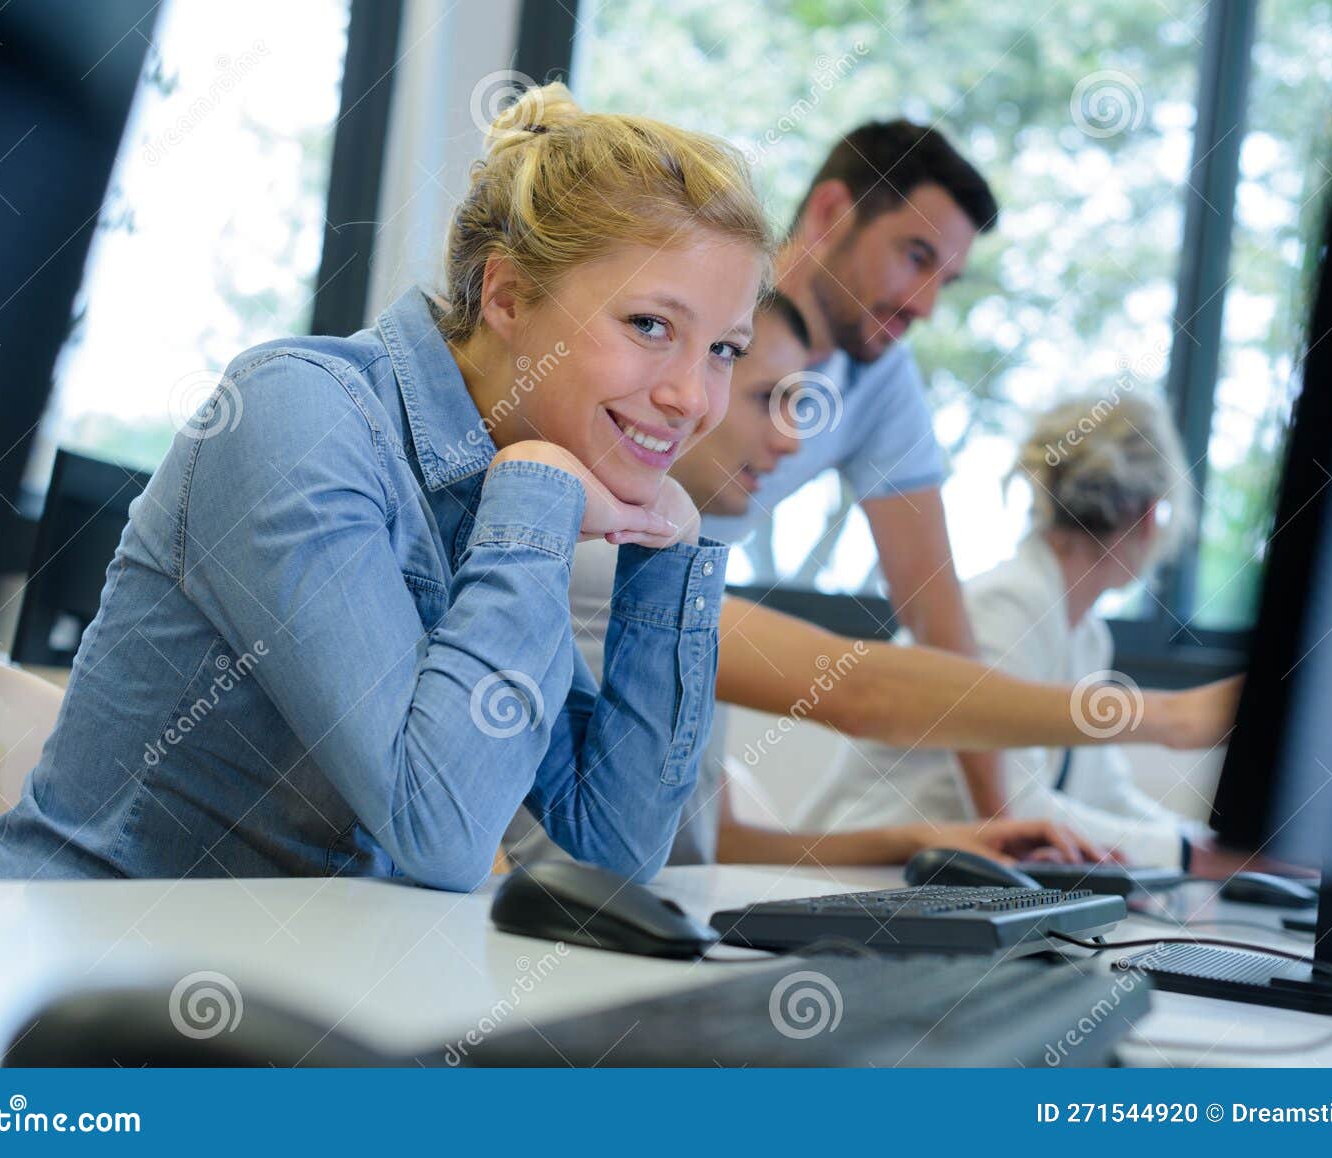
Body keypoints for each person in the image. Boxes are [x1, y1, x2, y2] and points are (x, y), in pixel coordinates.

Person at [0, 84, 773, 891]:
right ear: (506, 295)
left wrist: (663, 564)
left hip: (298, 983)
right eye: (649, 326)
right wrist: (536, 496)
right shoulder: (298, 413)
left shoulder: (501, 473)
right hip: (87, 967)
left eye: (725, 350)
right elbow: (440, 833)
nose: (694, 398)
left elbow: (615, 849)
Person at [505, 297, 1231, 870]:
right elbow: (861, 691)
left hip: (660, 912)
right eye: (768, 400)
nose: (794, 442)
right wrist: (1169, 718)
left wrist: (914, 841)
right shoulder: (602, 557)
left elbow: (708, 844)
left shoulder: (679, 565)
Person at [707, 119, 1012, 818]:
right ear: (829, 214)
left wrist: (1005, 824)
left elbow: (939, 618)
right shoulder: (703, 308)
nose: (927, 304)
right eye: (915, 256)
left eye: (947, 280)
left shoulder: (879, 380)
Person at [799, 392, 1222, 869]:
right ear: (1150, 517)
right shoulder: (1006, 606)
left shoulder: (1084, 634)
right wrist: (1189, 856)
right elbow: (1017, 813)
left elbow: (1107, 794)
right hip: (855, 876)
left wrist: (1204, 846)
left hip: (937, 881)